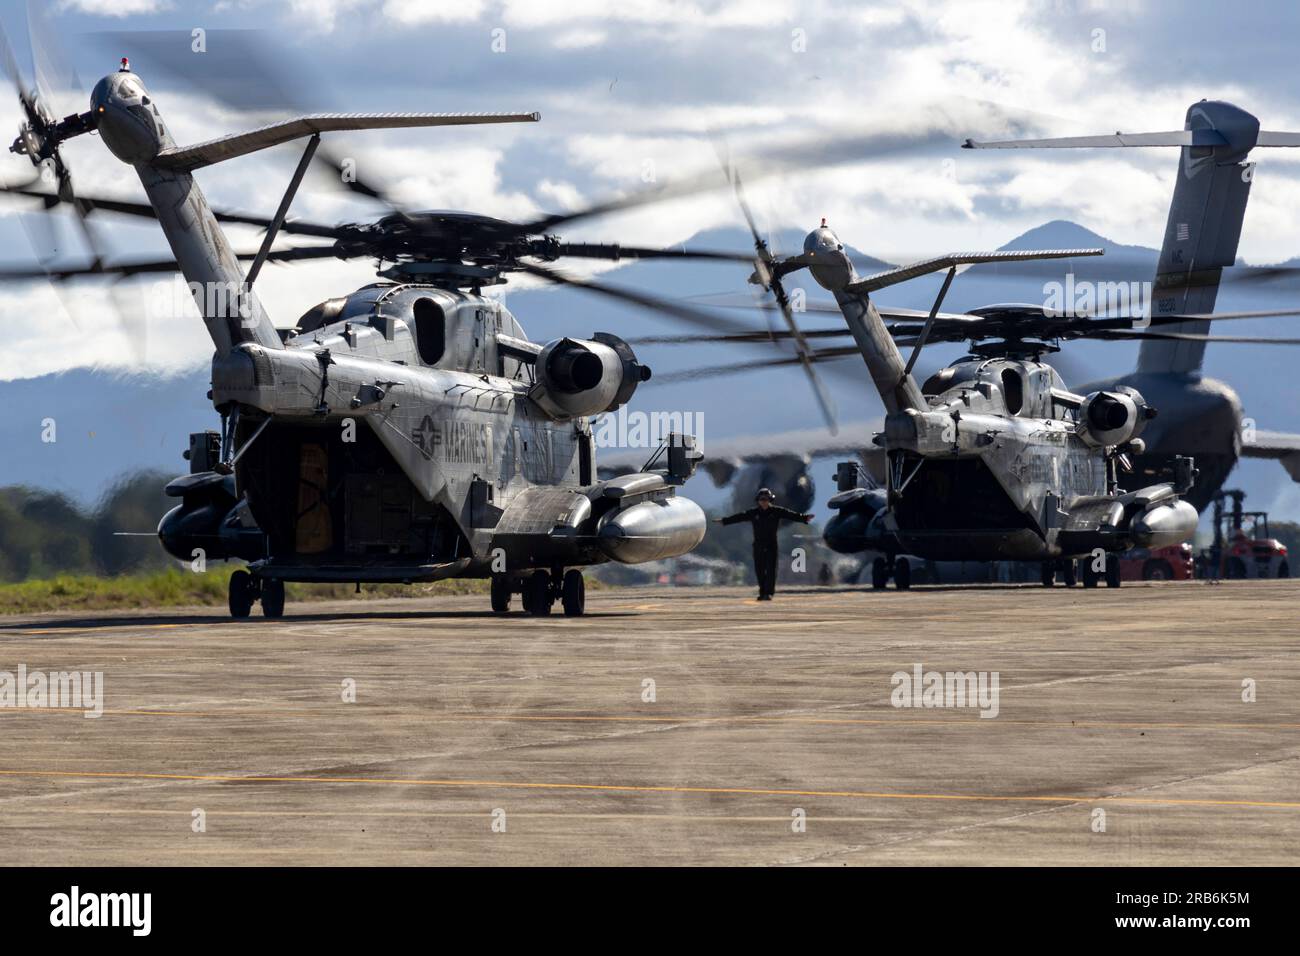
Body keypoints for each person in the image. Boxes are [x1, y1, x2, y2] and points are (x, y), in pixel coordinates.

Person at [717, 488, 813, 600]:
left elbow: (790, 515)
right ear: (758, 500)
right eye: (761, 499)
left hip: (771, 544)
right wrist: (724, 521)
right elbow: (740, 517)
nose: (764, 501)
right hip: (758, 545)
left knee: (771, 569)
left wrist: (804, 518)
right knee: (760, 569)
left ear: (770, 500)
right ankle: (762, 592)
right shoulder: (753, 513)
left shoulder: (776, 511)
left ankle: (769, 593)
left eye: (766, 499)